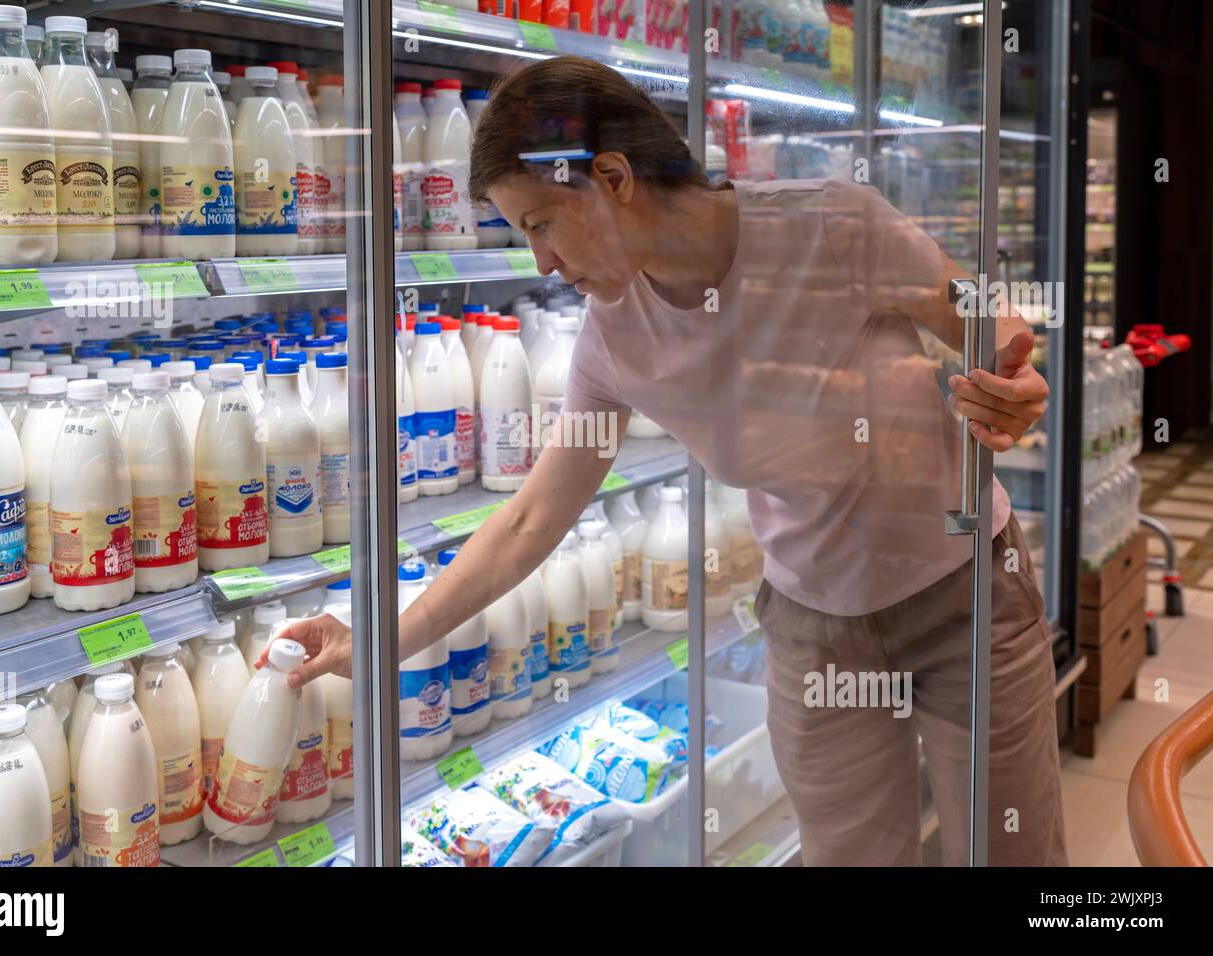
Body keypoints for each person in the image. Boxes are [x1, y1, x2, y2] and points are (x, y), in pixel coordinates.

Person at [269, 56, 1067, 866]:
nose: (541, 262)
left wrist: (1011, 369)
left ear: (611, 177)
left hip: (962, 593)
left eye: (540, 222)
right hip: (814, 630)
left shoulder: (832, 225)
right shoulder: (613, 337)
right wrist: (383, 642)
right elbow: (531, 517)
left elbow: (974, 313)